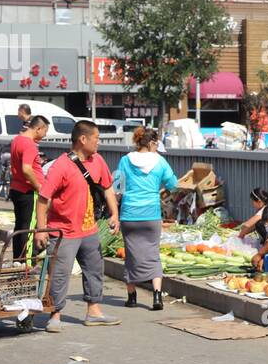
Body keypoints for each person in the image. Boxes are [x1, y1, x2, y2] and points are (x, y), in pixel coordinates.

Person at [34, 121, 120, 332]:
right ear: (83, 139)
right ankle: (55, 314)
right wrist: (41, 229)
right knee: (60, 273)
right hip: (64, 232)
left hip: (89, 230)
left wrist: (115, 214)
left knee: (94, 270)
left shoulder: (98, 160)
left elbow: (108, 188)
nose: (98, 142)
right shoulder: (61, 166)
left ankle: (94, 311)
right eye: (96, 138)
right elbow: (43, 199)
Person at [115, 126, 177, 311]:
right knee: (153, 254)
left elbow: (117, 187)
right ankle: (157, 296)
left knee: (131, 255)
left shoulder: (125, 161)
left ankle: (132, 296)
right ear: (151, 143)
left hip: (129, 214)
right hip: (151, 214)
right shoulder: (160, 161)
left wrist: (113, 210)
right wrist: (159, 188)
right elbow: (173, 184)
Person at [8, 115, 49, 262]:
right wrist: (38, 186)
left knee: (20, 227)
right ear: (38, 128)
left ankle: (18, 261)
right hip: (28, 191)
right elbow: (27, 169)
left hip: (17, 188)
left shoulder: (17, 140)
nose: (45, 135)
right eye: (45, 131)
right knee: (29, 228)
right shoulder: (29, 144)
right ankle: (27, 263)